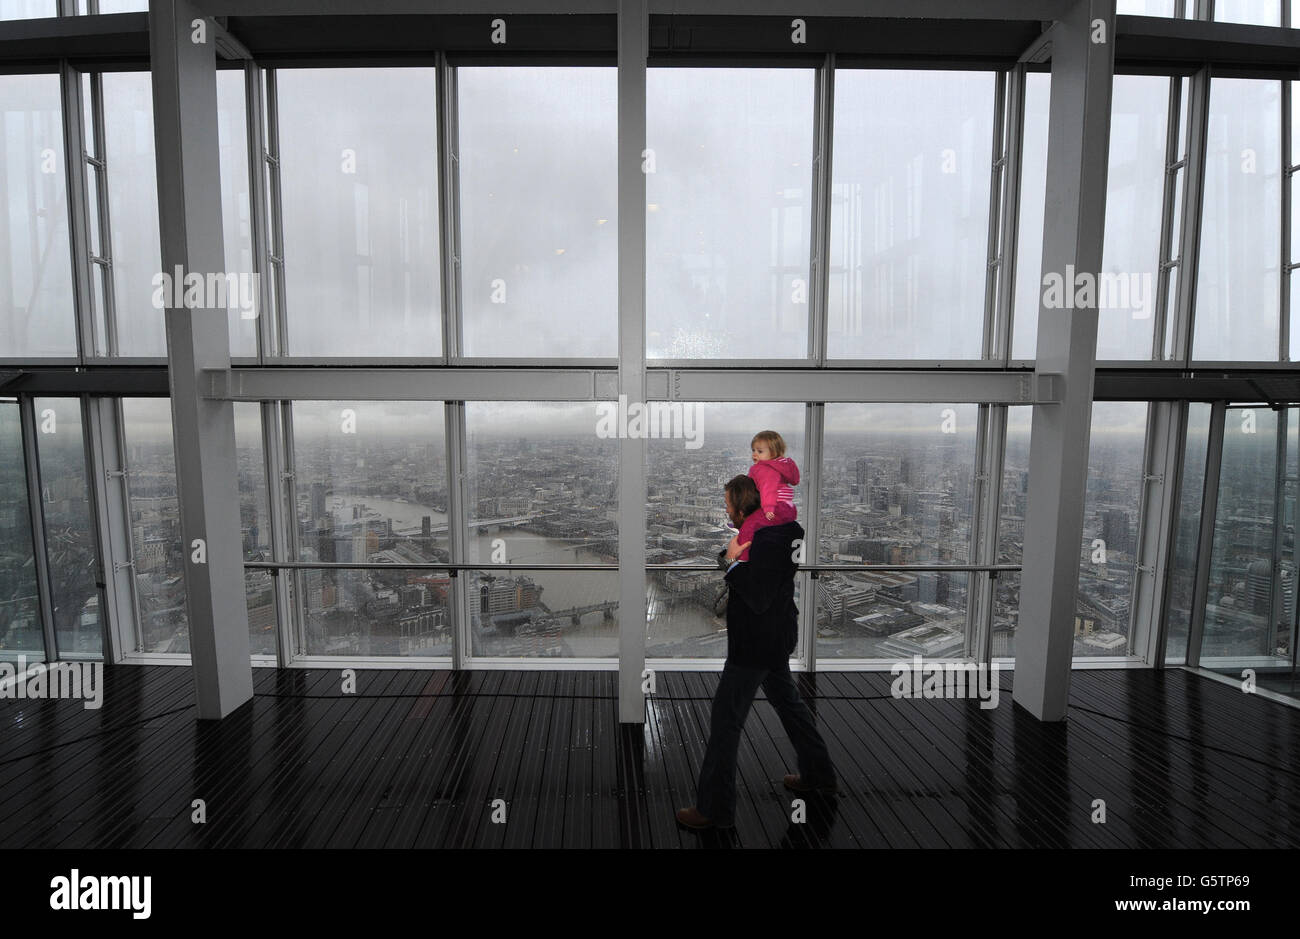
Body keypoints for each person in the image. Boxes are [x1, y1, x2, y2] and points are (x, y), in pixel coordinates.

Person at [677, 474, 837, 831]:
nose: (727, 510)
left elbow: (757, 594)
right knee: (790, 707)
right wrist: (735, 556)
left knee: (725, 722)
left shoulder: (762, 538)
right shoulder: (788, 529)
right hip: (779, 635)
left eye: (729, 504)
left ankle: (714, 810)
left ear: (743, 504)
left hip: (754, 643)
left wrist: (731, 561)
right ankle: (819, 776)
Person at [727, 430, 800, 563]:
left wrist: (768, 508)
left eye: (760, 451)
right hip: (786, 507)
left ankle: (743, 558)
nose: (755, 454)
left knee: (750, 526)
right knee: (760, 528)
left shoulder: (765, 469)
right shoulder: (779, 466)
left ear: (774, 452)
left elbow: (768, 489)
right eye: (753, 450)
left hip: (775, 506)